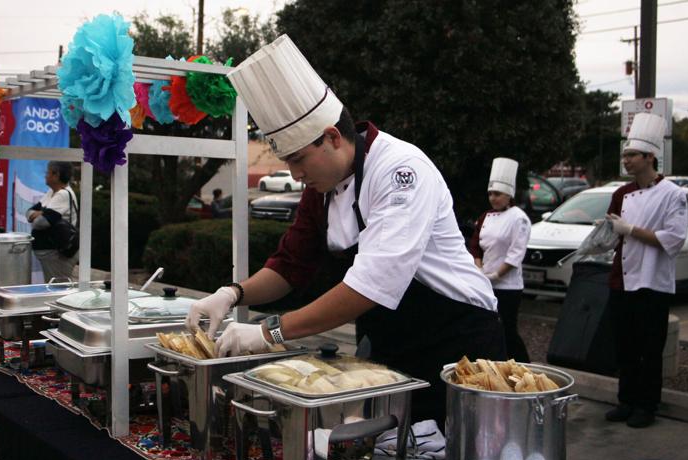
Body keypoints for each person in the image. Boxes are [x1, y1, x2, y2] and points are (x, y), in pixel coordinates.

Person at [185, 35, 505, 425]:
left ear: (333, 137)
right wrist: (232, 293)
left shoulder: (401, 171)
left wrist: (270, 332)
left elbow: (372, 284)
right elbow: (290, 266)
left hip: (457, 345)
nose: (295, 175)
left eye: (298, 159)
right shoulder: (321, 189)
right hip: (392, 347)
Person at [603, 113, 687, 429]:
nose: (626, 160)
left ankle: (646, 405)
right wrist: (603, 236)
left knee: (649, 349)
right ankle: (626, 400)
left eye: (632, 155)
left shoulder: (673, 194)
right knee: (624, 346)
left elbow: (674, 239)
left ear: (650, 157)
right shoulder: (621, 194)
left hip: (653, 282)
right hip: (622, 279)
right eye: (625, 155)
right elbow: (612, 235)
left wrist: (631, 230)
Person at [469, 158, 532, 362]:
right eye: (490, 194)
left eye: (497, 194)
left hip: (508, 286)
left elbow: (515, 254)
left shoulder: (519, 218)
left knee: (508, 330)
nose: (493, 198)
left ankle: (523, 365)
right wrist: (479, 270)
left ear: (509, 195)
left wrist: (496, 275)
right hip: (486, 282)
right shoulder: (485, 217)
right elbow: (476, 246)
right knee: (488, 327)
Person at [26, 161, 78, 282]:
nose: (45, 176)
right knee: (53, 285)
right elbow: (29, 212)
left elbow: (39, 223)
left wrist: (40, 213)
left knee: (58, 288)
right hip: (51, 254)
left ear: (56, 175)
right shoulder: (52, 192)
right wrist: (42, 213)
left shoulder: (63, 194)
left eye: (47, 173)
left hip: (58, 254)